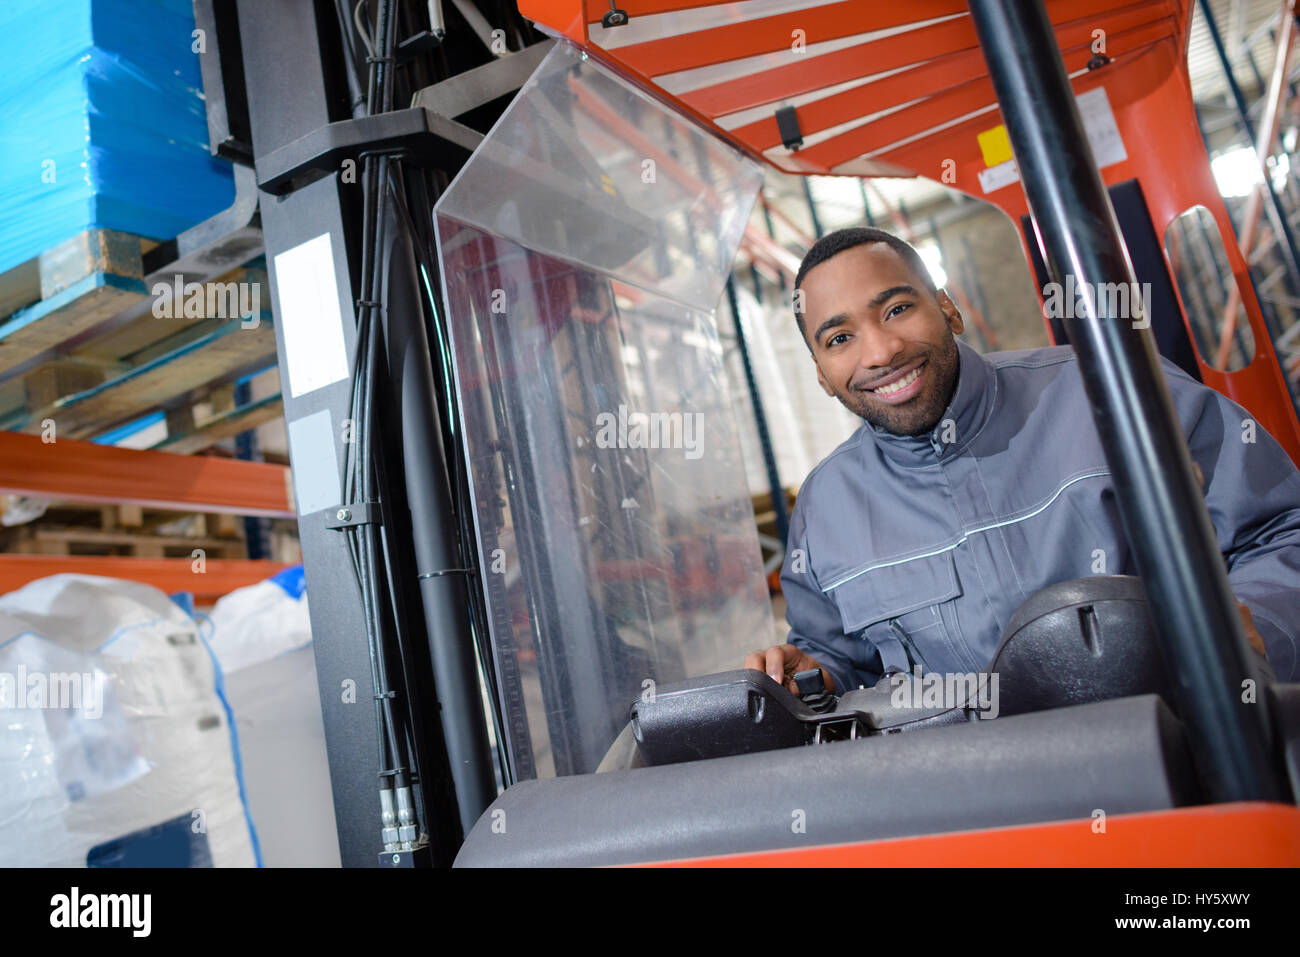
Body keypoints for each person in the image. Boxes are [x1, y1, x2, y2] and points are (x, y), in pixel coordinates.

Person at [745, 227, 1300, 695]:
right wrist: (816, 676)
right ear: (821, 373)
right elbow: (842, 658)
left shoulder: (1107, 394)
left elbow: (1281, 531)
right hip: (993, 807)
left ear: (947, 308)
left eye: (896, 309)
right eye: (839, 338)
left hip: (1189, 760)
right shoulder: (825, 508)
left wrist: (1259, 628)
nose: (880, 352)